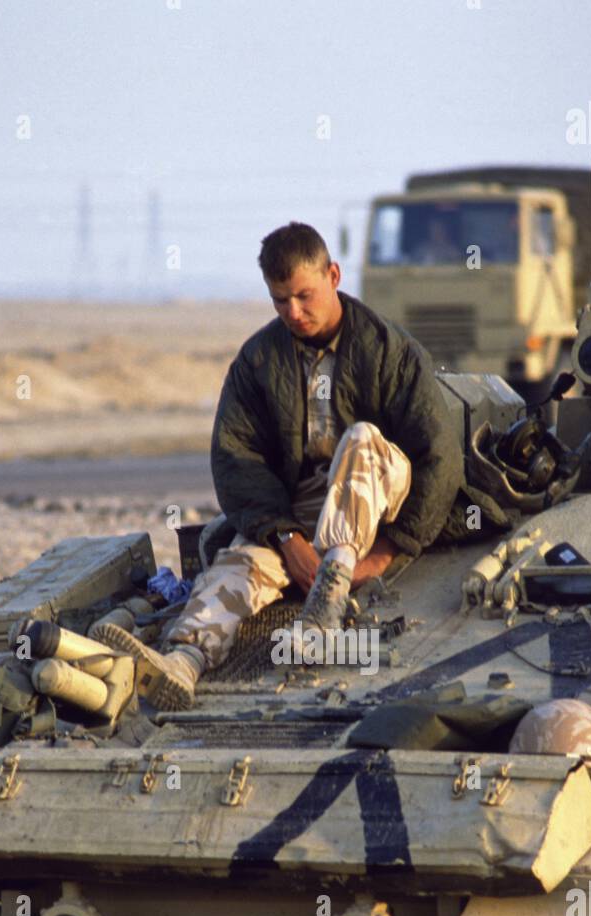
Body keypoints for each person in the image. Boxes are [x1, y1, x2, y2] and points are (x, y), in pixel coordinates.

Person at [93, 221, 463, 711]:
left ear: (333, 275)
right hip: (301, 509)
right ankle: (183, 661)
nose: (294, 311)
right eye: (279, 300)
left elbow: (439, 455)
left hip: (379, 496)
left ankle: (330, 595)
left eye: (304, 295)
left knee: (361, 439)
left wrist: (382, 556)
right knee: (238, 565)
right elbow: (236, 456)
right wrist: (286, 540)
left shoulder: (388, 350)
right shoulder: (258, 360)